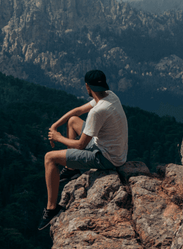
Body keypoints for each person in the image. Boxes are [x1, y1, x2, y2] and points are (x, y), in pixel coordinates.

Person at [37, 69, 128, 230]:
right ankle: (71, 169)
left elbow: (80, 145)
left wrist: (57, 137)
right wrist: (55, 125)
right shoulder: (110, 96)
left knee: (49, 158)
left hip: (106, 157)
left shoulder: (97, 111)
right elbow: (78, 111)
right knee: (73, 121)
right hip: (115, 150)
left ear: (87, 86)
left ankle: (51, 209)